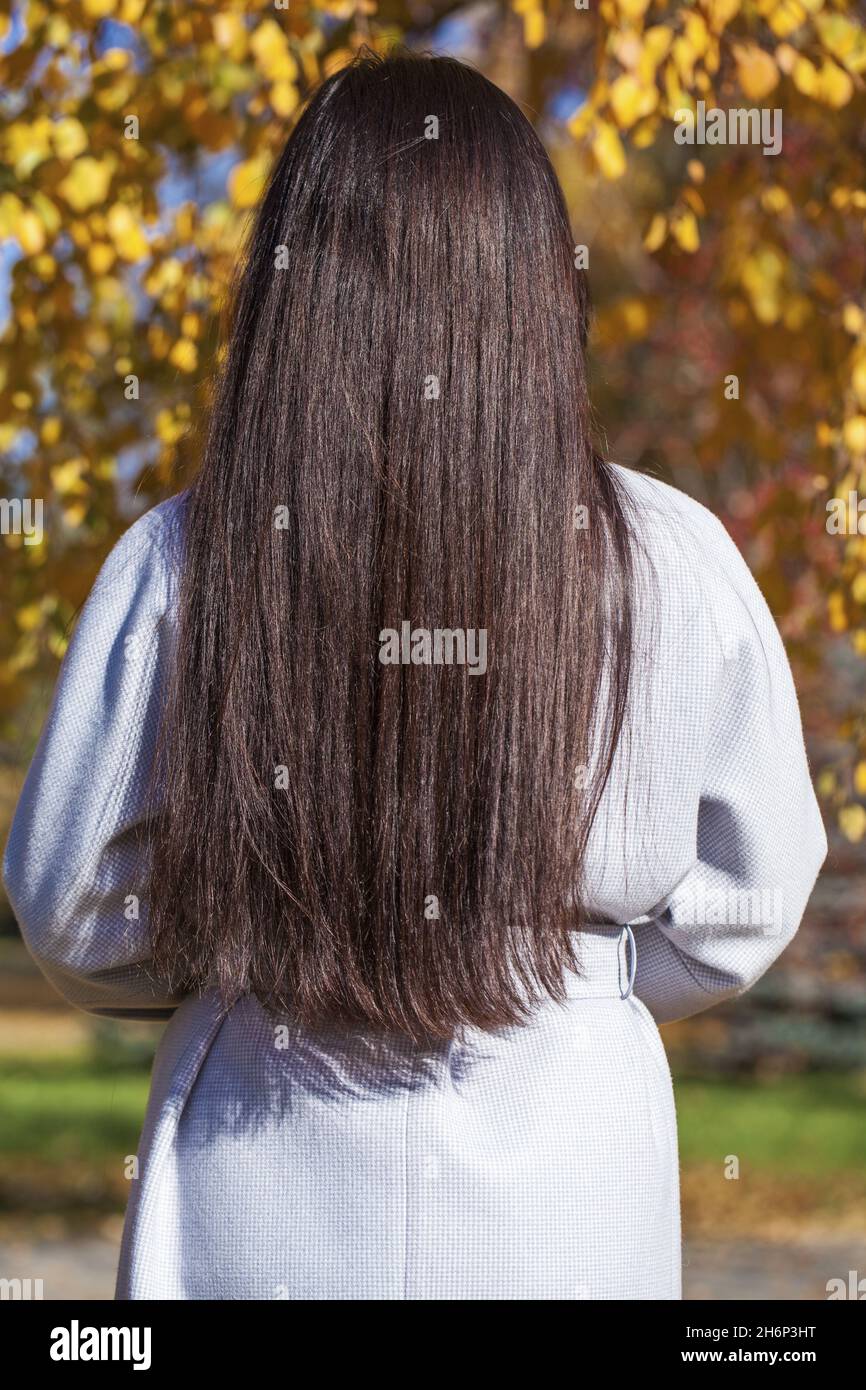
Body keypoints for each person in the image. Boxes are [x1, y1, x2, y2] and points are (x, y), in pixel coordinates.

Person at [3, 49, 826, 1301]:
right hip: (569, 1186)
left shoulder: (180, 561)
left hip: (255, 1164)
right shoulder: (673, 559)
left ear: (292, 286)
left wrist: (268, 948)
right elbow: (747, 899)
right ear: (539, 286)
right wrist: (560, 974)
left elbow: (70, 903)